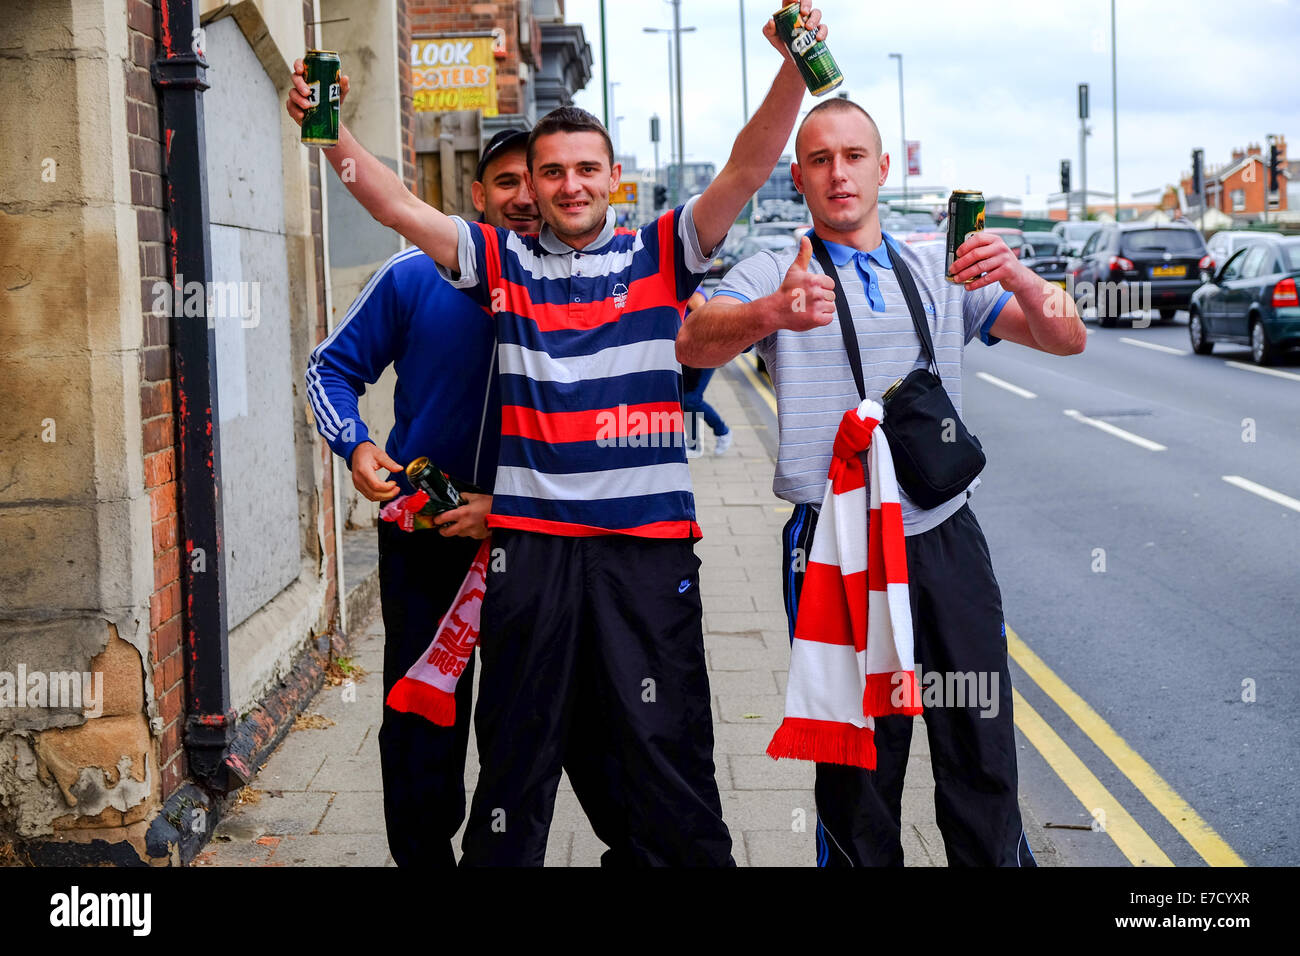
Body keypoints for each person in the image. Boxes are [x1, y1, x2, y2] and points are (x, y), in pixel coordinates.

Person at [288, 2, 833, 866]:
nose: (570, 185)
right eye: (551, 173)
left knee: (669, 753)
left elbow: (750, 162)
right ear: (530, 190)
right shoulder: (502, 263)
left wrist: (794, 68)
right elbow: (393, 204)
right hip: (531, 553)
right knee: (518, 763)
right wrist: (328, 128)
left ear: (613, 176)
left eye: (586, 169)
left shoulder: (664, 251)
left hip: (645, 552)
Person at [677, 97, 1086, 867]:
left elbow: (1068, 336)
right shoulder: (775, 266)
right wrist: (773, 313)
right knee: (860, 758)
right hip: (835, 547)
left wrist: (1021, 276)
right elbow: (693, 344)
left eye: (854, 156)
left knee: (980, 739)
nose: (840, 174)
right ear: (798, 178)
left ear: (882, 167)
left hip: (944, 537)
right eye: (822, 160)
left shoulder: (938, 266)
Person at [305, 129, 622, 867]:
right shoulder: (414, 276)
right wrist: (355, 445)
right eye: (503, 182)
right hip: (427, 534)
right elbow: (329, 370)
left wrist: (507, 508)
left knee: (553, 715)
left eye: (531, 180)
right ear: (479, 196)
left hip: (539, 542)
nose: (521, 196)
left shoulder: (585, 283)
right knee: (423, 715)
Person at [681, 290, 733, 456]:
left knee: (691, 399)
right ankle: (693, 445)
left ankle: (723, 431)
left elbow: (707, 323)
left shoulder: (693, 294)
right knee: (686, 398)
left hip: (706, 353)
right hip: (690, 355)